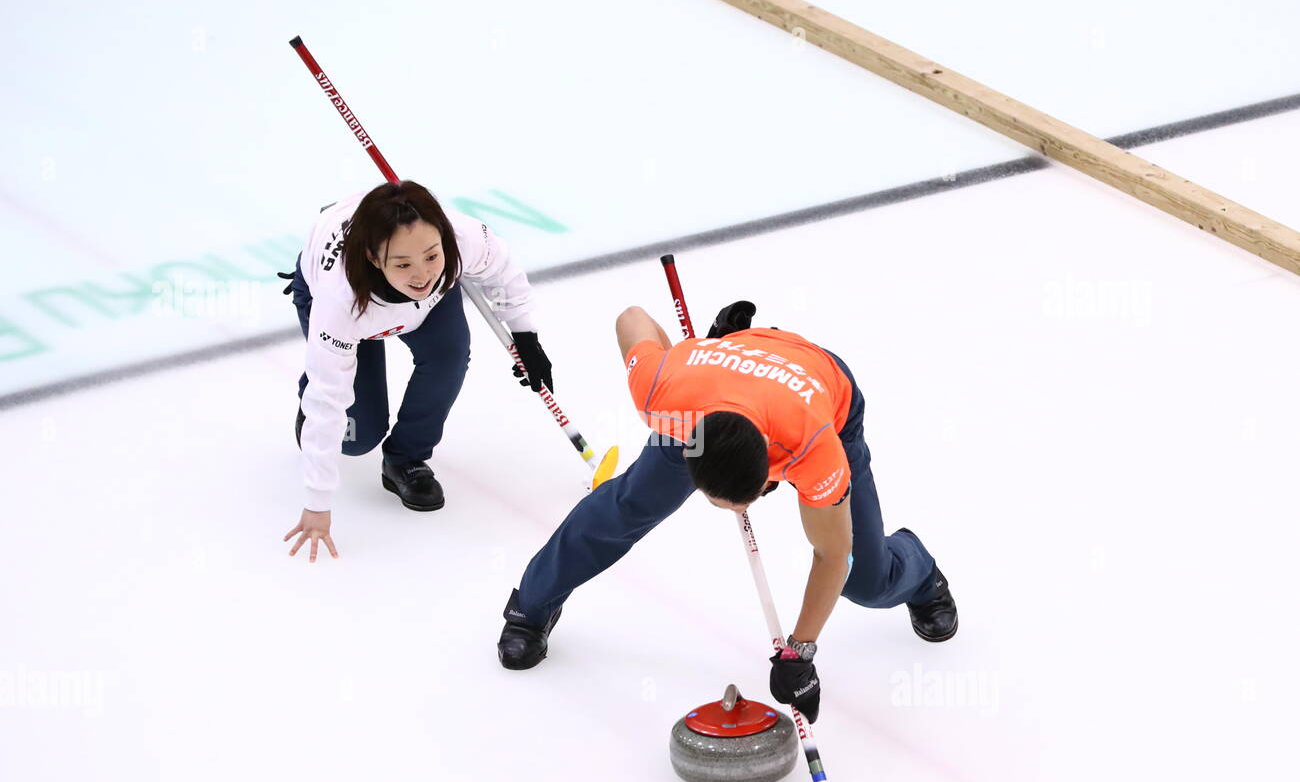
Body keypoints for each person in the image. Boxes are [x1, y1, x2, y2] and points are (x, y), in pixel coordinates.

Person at [496, 301, 957, 722]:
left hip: (820, 389)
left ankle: (920, 573)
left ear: (773, 476)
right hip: (710, 392)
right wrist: (695, 353)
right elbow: (632, 318)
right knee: (631, 502)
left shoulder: (815, 448)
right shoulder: (665, 399)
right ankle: (531, 606)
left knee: (865, 578)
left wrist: (800, 652)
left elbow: (831, 553)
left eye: (747, 500)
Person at [281, 180, 551, 562]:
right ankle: (318, 376)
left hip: (426, 307)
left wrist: (525, 334)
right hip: (360, 307)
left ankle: (405, 459)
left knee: (450, 355)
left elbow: (501, 270)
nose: (422, 274)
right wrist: (317, 503)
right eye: (403, 263)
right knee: (355, 438)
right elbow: (329, 401)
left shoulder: (460, 239)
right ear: (376, 259)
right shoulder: (337, 303)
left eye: (431, 255)